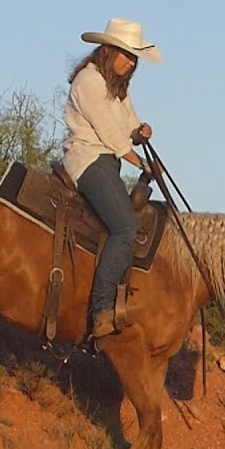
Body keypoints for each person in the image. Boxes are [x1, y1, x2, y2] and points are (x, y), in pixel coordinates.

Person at [62, 18, 163, 339]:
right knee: (125, 228)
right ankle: (102, 309)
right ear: (106, 50)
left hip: (108, 164)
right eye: (125, 54)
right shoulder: (89, 82)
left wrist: (140, 131)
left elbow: (127, 127)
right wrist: (142, 165)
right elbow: (109, 136)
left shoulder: (117, 88)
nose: (130, 62)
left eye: (134, 57)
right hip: (88, 161)